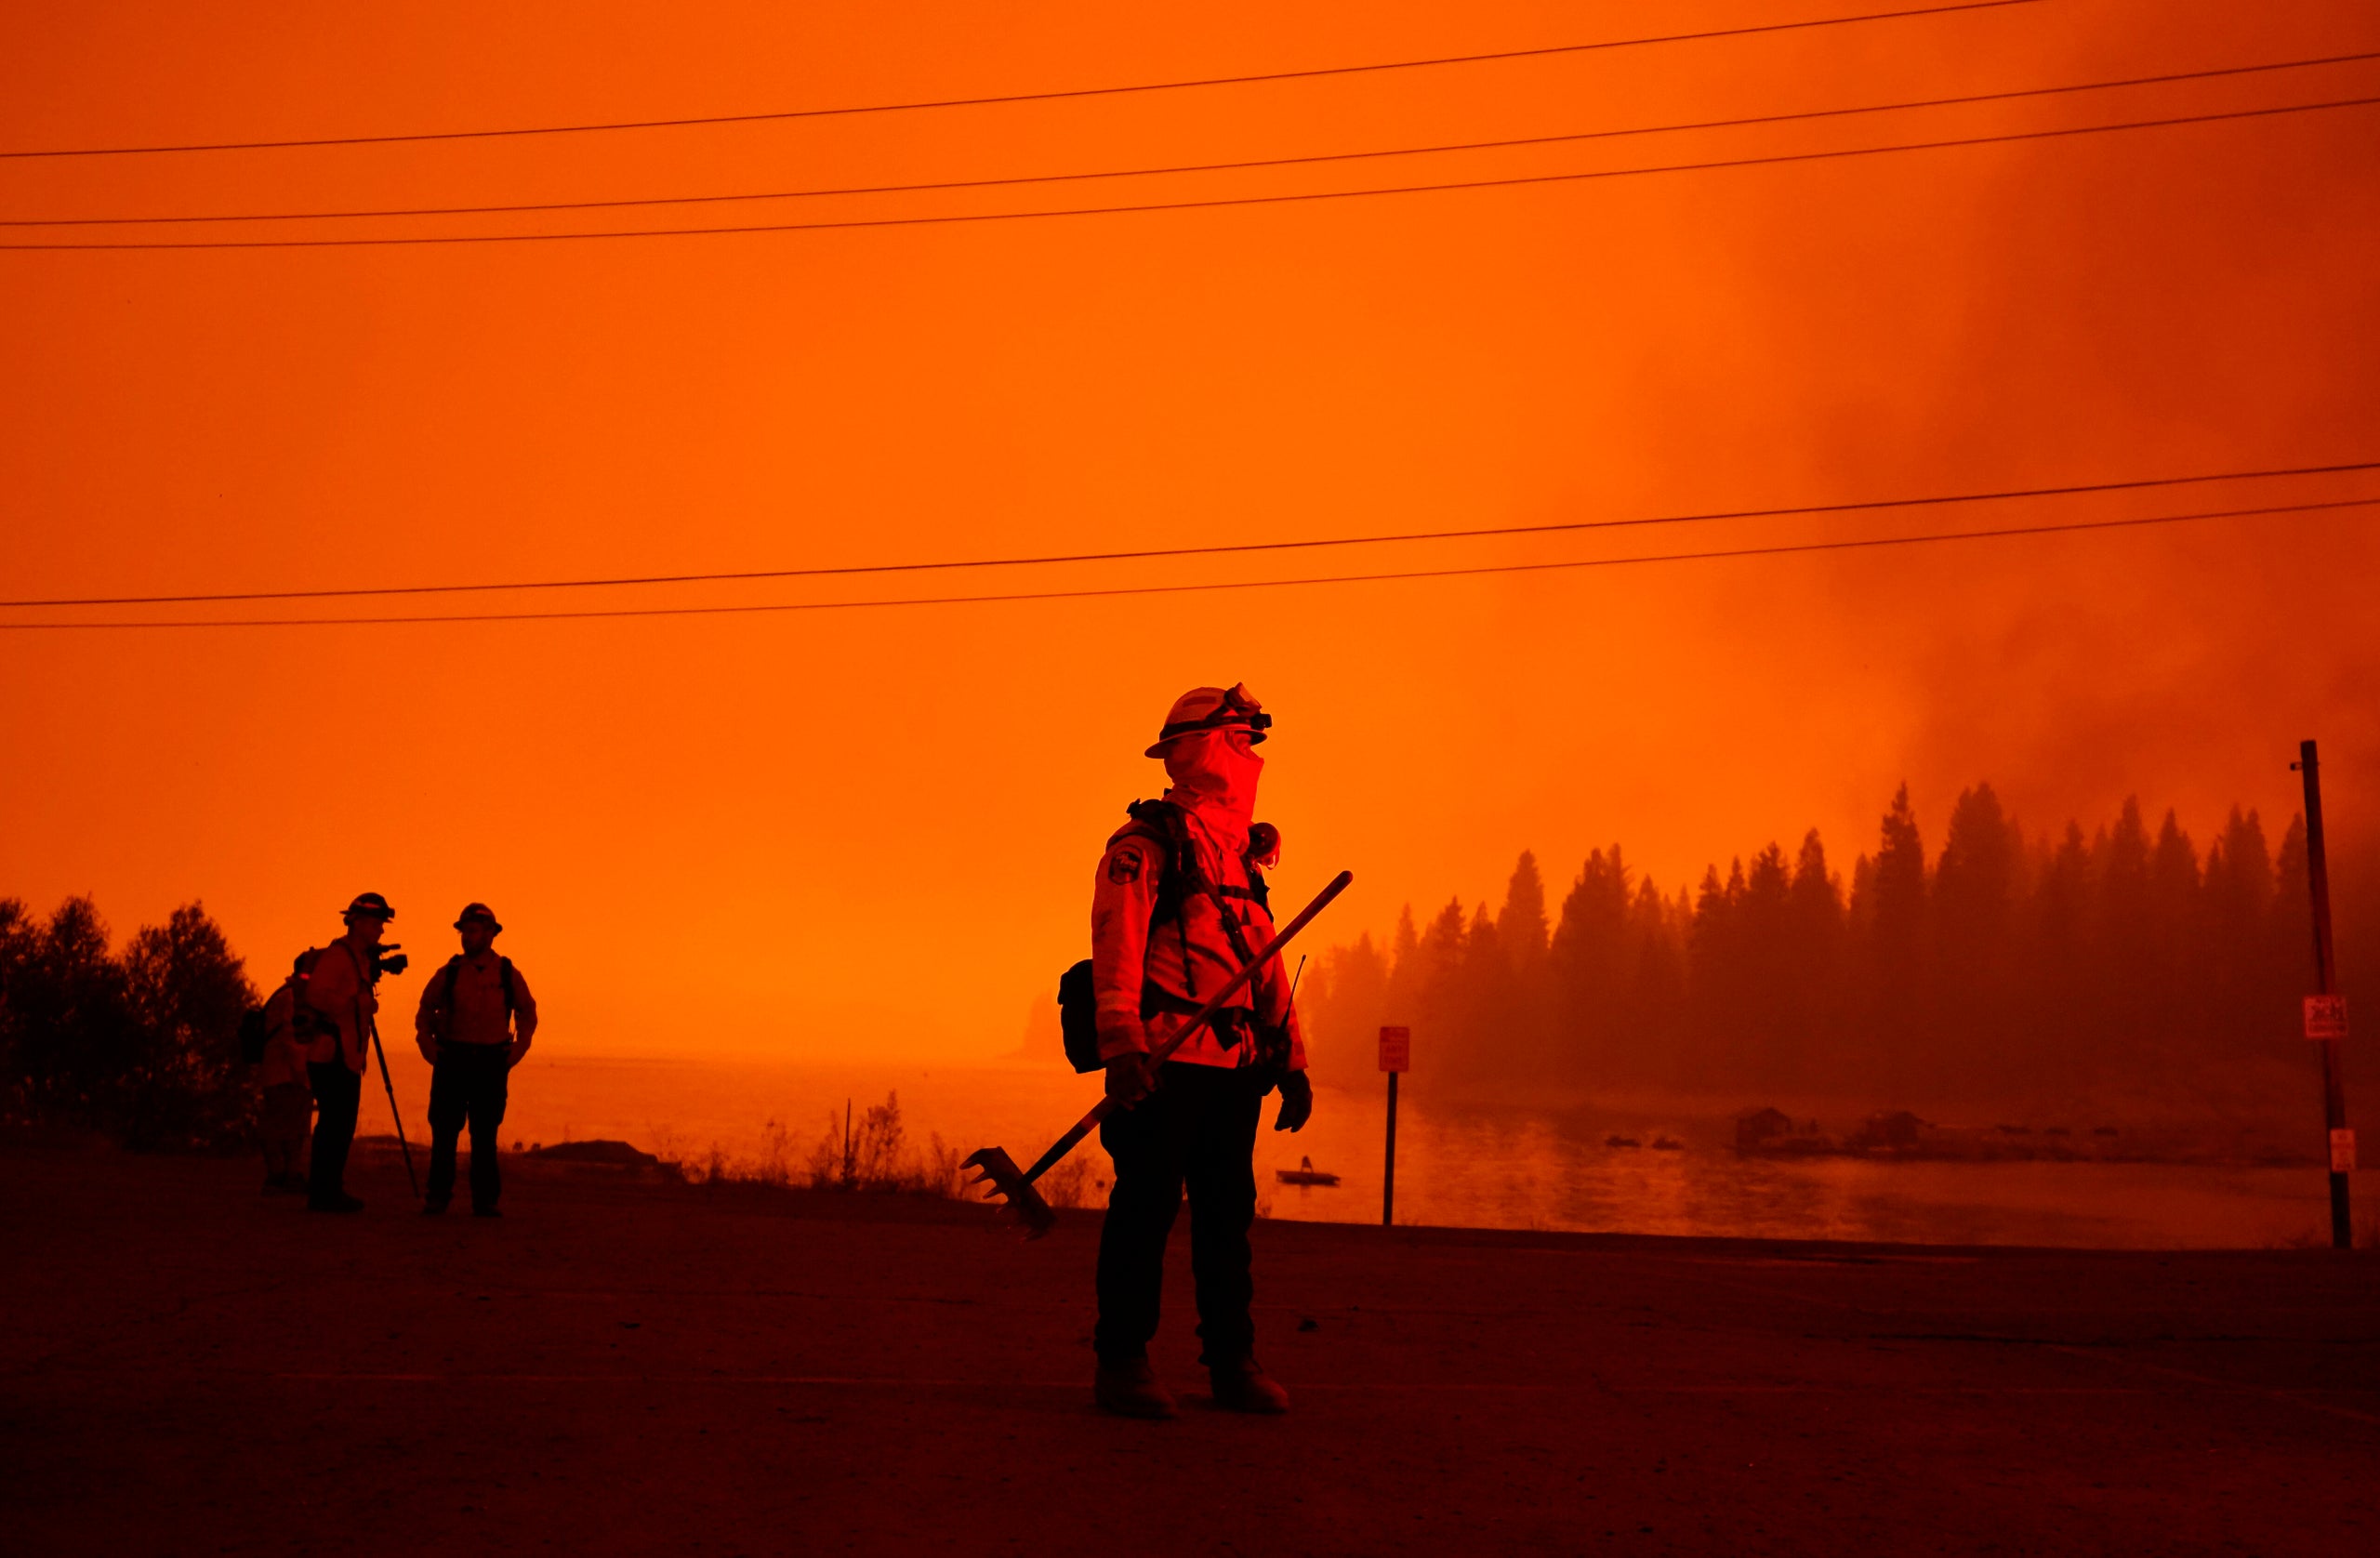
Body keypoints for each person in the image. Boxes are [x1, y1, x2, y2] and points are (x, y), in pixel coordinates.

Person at [1088, 683, 1314, 1419]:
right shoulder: (1146, 845)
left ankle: (1231, 1363)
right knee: (1144, 1214)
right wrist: (1121, 1044)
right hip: (1163, 1063)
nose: (1250, 757)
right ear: (1204, 746)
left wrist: (1293, 1059)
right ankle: (1122, 1362)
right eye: (1241, 741)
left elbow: (1263, 957)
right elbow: (1116, 944)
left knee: (1227, 1221)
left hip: (1234, 1070)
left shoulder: (1241, 855)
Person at [415, 903, 537, 1217]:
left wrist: (518, 1048)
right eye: (464, 932)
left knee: (485, 1135)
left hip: (490, 1061)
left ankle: (485, 1202)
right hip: (452, 1058)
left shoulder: (508, 973)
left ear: (490, 934)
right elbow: (424, 1011)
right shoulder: (450, 972)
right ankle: (437, 1197)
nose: (467, 937)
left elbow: (528, 1013)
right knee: (444, 1133)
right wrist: (427, 1046)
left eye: (473, 931)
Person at [300, 892, 399, 1214]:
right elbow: (316, 994)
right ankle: (324, 1192)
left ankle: (328, 1188)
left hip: (344, 1053)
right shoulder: (339, 957)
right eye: (377, 923)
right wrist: (356, 1003)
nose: (381, 930)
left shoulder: (357, 958)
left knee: (339, 1124)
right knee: (335, 1125)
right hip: (333, 1055)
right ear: (358, 923)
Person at [255, 956, 312, 1193]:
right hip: (286, 1076)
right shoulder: (290, 998)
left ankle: (287, 1174)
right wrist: (302, 1073)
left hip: (280, 1074)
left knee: (289, 1127)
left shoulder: (284, 995)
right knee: (286, 1127)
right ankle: (283, 1174)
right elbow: (291, 1038)